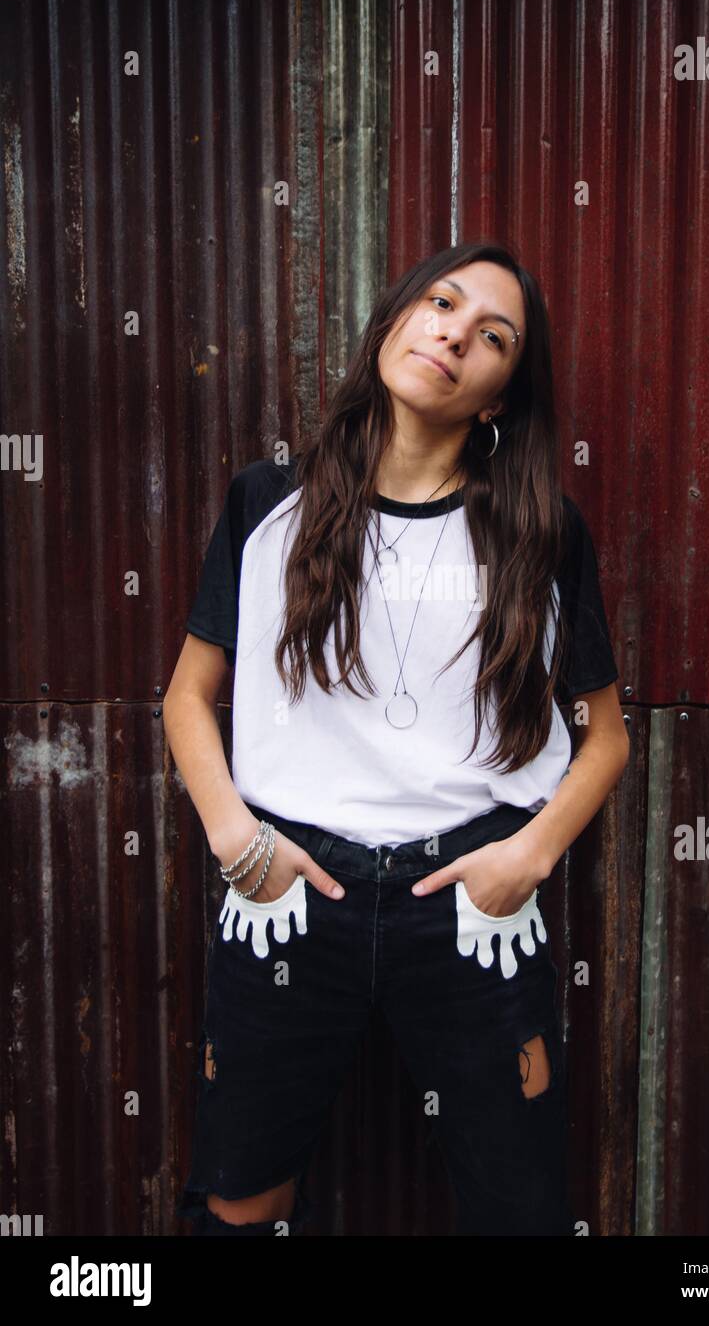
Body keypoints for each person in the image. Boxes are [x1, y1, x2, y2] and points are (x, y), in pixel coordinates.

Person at [165, 239, 630, 1238]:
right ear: (395, 321)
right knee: (240, 1199)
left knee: (519, 1211)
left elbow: (603, 738)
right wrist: (238, 845)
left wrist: (524, 859)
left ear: (501, 395)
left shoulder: (540, 529)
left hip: (473, 908)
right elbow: (186, 699)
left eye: (491, 336)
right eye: (441, 303)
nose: (453, 333)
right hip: (288, 897)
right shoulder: (266, 503)